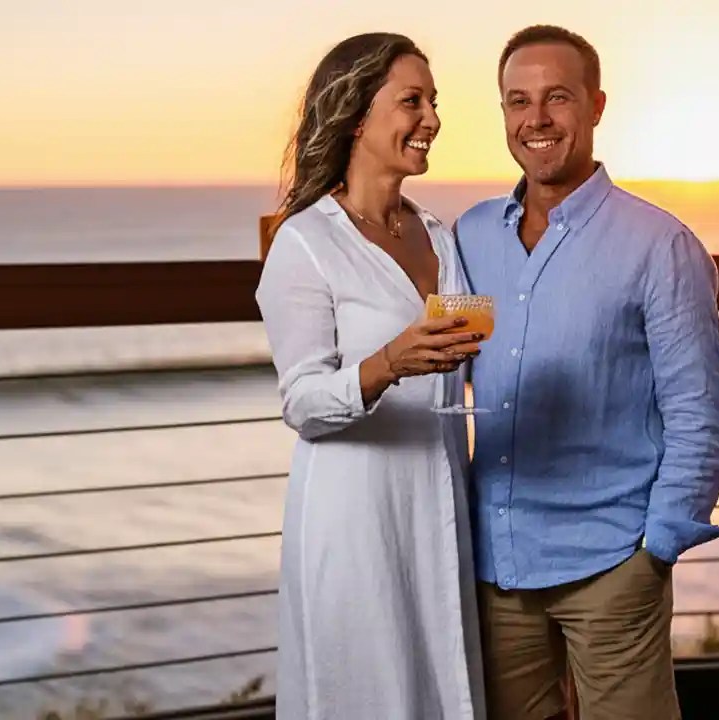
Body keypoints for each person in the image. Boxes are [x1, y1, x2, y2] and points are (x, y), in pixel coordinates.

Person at [454, 25, 719, 719]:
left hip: (612, 564)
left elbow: (698, 414)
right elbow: (449, 367)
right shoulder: (470, 236)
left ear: (597, 105)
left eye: (558, 97)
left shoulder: (660, 245)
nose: (537, 119)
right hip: (495, 567)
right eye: (518, 101)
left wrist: (657, 548)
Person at [255, 33, 486, 719]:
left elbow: (466, 355)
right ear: (358, 115)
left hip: (440, 502)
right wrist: (387, 365)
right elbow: (302, 403)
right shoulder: (305, 242)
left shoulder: (439, 235)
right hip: (356, 515)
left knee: (444, 686)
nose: (432, 119)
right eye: (412, 101)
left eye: (434, 102)